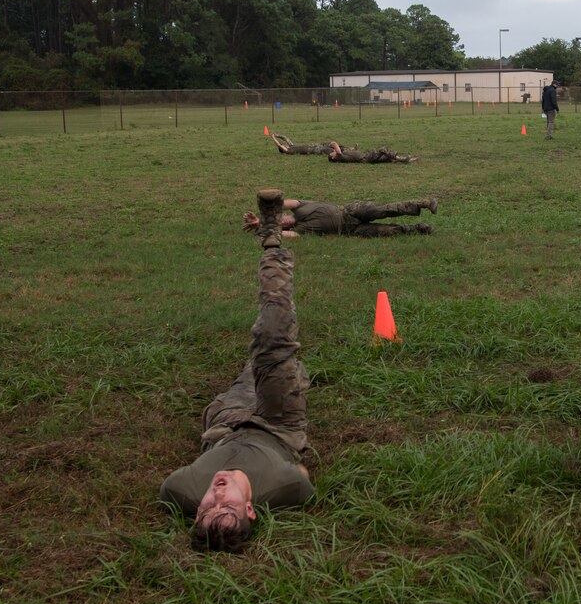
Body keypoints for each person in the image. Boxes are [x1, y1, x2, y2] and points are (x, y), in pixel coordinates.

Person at [160, 189, 315, 551]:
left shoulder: (178, 490)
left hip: (227, 418)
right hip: (278, 424)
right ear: (250, 509)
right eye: (226, 506)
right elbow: (304, 478)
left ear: (195, 513)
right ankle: (272, 236)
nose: (215, 495)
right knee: (273, 338)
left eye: (206, 509)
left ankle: (276, 367)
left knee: (255, 366)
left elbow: (176, 492)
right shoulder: (284, 488)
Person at [243, 196, 437, 238]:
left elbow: (281, 201)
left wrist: (264, 216)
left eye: (280, 218)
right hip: (349, 230)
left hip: (351, 211)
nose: (283, 221)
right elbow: (288, 237)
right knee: (387, 232)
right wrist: (263, 227)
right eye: (281, 225)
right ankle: (419, 228)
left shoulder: (299, 208)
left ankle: (424, 203)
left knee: (385, 209)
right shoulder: (299, 230)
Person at [327, 142, 418, 164]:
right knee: (382, 149)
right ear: (333, 158)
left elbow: (339, 148)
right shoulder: (339, 157)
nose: (333, 152)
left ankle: (408, 159)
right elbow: (335, 145)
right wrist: (332, 144)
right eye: (332, 153)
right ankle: (402, 159)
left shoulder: (342, 154)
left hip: (366, 157)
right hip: (365, 158)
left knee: (387, 158)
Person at [271, 133, 347, 155]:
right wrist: (273, 138)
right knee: (330, 149)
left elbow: (285, 138)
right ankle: (346, 152)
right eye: (283, 146)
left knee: (331, 144)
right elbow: (279, 145)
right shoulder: (288, 150)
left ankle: (349, 149)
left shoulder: (291, 146)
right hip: (314, 150)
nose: (285, 145)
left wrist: (277, 135)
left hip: (314, 145)